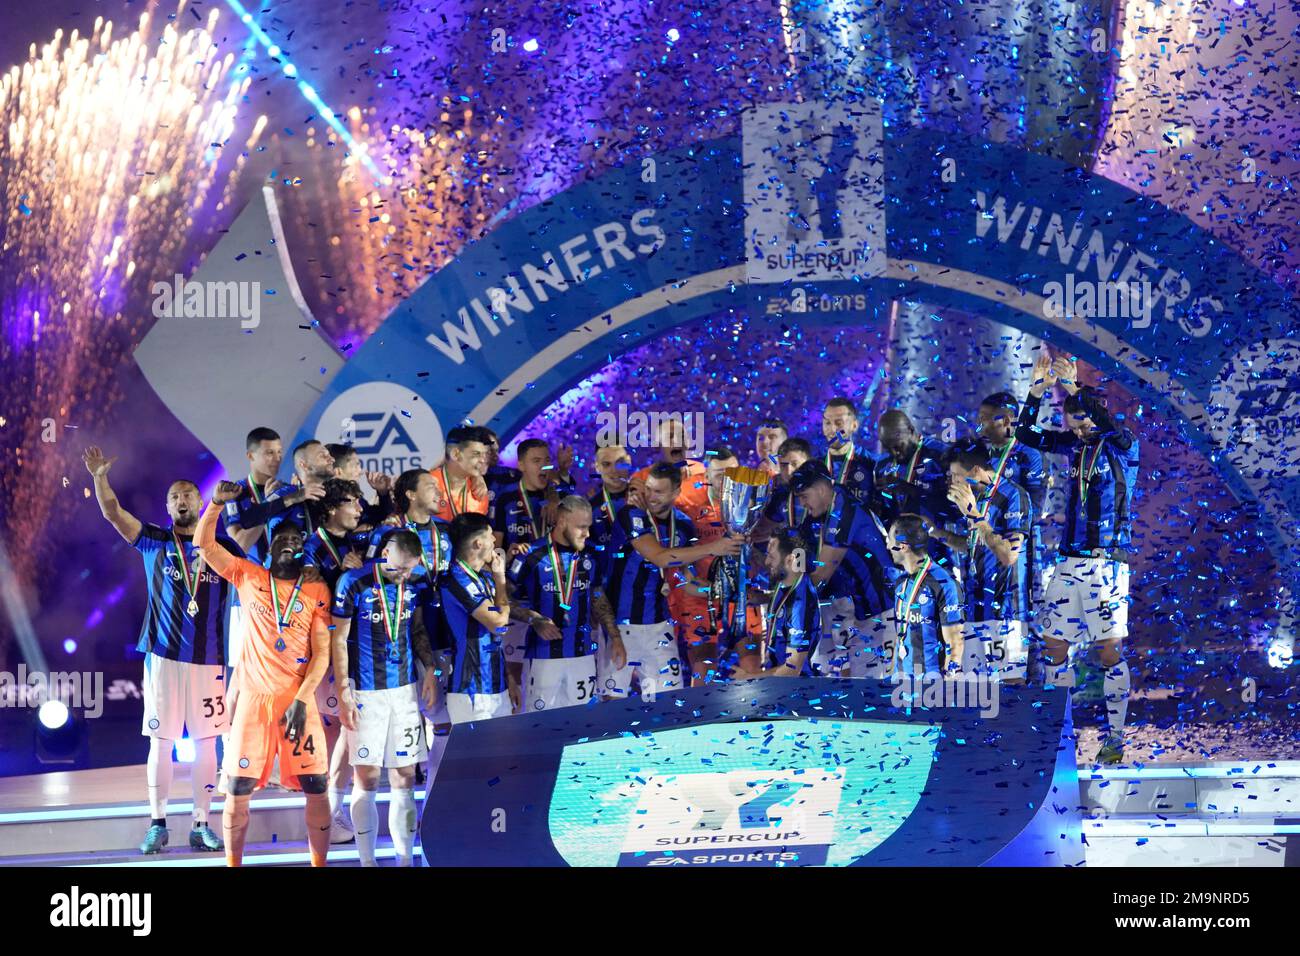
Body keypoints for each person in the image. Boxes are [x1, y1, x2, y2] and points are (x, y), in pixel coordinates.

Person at [84, 448, 247, 855]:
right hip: (162, 657)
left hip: (209, 660)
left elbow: (255, 589)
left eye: (189, 494)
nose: (182, 501)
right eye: (175, 496)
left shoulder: (224, 548)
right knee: (161, 741)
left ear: (202, 500)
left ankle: (201, 824)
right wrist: (100, 478)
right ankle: (157, 823)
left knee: (209, 743)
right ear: (167, 506)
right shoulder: (155, 540)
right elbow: (112, 514)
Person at [195, 487, 333, 868]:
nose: (289, 544)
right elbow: (204, 545)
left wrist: (304, 700)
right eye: (282, 540)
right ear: (269, 548)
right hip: (254, 702)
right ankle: (232, 864)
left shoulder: (316, 588)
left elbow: (322, 653)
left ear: (303, 547)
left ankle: (318, 865)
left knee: (316, 785)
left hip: (296, 699)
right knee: (238, 788)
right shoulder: (247, 574)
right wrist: (217, 505)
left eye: (295, 539)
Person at [1016, 354, 1140, 764]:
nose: (1081, 429)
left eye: (1085, 422)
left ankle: (1116, 739)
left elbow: (1107, 425)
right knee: (1053, 647)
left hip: (1107, 564)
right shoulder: (1073, 445)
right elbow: (1027, 434)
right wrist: (1036, 392)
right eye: (1073, 423)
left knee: (1108, 652)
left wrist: (1073, 389)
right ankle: (1061, 735)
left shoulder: (1124, 448)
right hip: (1068, 562)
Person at [332, 530, 436, 866]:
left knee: (404, 774)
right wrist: (343, 691)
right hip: (365, 692)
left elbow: (417, 630)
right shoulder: (352, 582)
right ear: (386, 552)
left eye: (410, 570)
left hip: (404, 691)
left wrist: (430, 669)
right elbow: (338, 640)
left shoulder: (416, 583)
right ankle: (367, 861)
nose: (404, 576)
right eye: (399, 569)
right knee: (368, 776)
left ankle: (404, 860)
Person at [603, 462, 742, 699]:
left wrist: (723, 592)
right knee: (611, 702)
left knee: (668, 702)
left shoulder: (684, 525)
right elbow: (659, 557)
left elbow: (683, 580)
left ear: (676, 493)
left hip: (660, 626)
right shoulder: (631, 514)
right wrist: (714, 548)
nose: (650, 496)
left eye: (658, 491)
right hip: (622, 625)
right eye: (648, 489)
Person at [507, 496, 625, 710]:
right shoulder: (531, 554)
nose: (587, 533)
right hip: (543, 657)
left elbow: (597, 595)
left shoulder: (590, 554)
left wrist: (615, 637)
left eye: (588, 527)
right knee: (540, 727)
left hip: (583, 654)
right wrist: (534, 619)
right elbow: (503, 600)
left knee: (583, 725)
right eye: (581, 527)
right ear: (561, 522)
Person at [300, 478, 368, 843]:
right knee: (337, 726)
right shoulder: (311, 547)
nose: (359, 508)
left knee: (344, 725)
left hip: (357, 645)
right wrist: (340, 572)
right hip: (325, 648)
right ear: (330, 509)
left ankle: (328, 807)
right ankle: (325, 808)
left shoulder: (359, 541)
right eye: (352, 502)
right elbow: (308, 595)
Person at [790, 460, 898, 678]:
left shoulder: (843, 513)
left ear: (821, 489)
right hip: (865, 611)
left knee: (871, 691)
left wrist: (786, 593)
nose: (803, 504)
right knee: (857, 686)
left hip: (882, 613)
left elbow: (821, 576)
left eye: (804, 496)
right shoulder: (836, 502)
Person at [936, 444, 1032, 680]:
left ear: (976, 471)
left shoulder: (1013, 495)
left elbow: (1009, 555)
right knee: (975, 688)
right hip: (975, 605)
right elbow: (972, 545)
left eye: (957, 476)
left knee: (1010, 687)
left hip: (1007, 608)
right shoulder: (975, 499)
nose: (953, 482)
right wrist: (933, 532)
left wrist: (975, 516)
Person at [490, 438, 572, 703]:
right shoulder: (506, 497)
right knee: (514, 669)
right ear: (521, 465)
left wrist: (556, 494)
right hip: (519, 597)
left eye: (546, 461)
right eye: (536, 461)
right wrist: (508, 557)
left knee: (551, 673)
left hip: (553, 594)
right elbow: (497, 547)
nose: (544, 466)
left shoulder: (561, 495)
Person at [436, 513, 515, 721]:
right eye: (491, 536)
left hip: (497, 687)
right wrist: (501, 581)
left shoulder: (484, 578)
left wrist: (510, 679)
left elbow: (501, 623)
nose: (495, 541)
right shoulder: (456, 580)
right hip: (471, 691)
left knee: (508, 754)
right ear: (479, 543)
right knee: (476, 755)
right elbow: (498, 623)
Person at [734, 528, 821, 678]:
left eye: (771, 557)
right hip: (778, 685)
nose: (767, 562)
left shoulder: (800, 606)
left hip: (799, 692)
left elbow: (792, 670)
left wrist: (749, 678)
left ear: (790, 560)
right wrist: (762, 598)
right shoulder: (787, 583)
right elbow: (786, 599)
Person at [887, 514, 965, 676]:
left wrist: (948, 687)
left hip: (931, 682)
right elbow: (901, 633)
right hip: (903, 680)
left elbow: (955, 643)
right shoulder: (901, 583)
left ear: (903, 546)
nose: (888, 547)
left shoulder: (944, 583)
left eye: (890, 540)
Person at [220, 427, 289, 566]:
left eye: (279, 452)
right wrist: (269, 504)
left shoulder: (288, 492)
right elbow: (239, 546)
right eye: (269, 453)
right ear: (250, 456)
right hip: (252, 580)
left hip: (286, 578)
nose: (277, 458)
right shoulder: (234, 494)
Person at [264, 440, 335, 540]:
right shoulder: (286, 493)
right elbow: (253, 517)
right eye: (322, 455)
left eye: (329, 455)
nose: (332, 459)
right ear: (304, 465)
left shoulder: (334, 497)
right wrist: (295, 497)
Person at [752, 436, 813, 543]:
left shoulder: (826, 491)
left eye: (795, 464)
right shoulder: (781, 494)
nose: (789, 472)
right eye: (784, 466)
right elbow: (761, 532)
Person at [821, 397, 877, 507]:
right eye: (827, 423)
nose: (832, 429)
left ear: (854, 425)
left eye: (839, 423)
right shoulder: (816, 467)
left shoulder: (871, 464)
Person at [325, 442, 395, 527]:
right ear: (338, 472)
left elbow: (381, 518)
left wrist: (383, 492)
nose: (360, 471)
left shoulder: (357, 499)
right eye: (356, 465)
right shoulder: (321, 500)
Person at [430, 425, 492, 521]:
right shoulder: (426, 485)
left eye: (485, 454)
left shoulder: (479, 491)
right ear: (455, 454)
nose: (483, 460)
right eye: (476, 454)